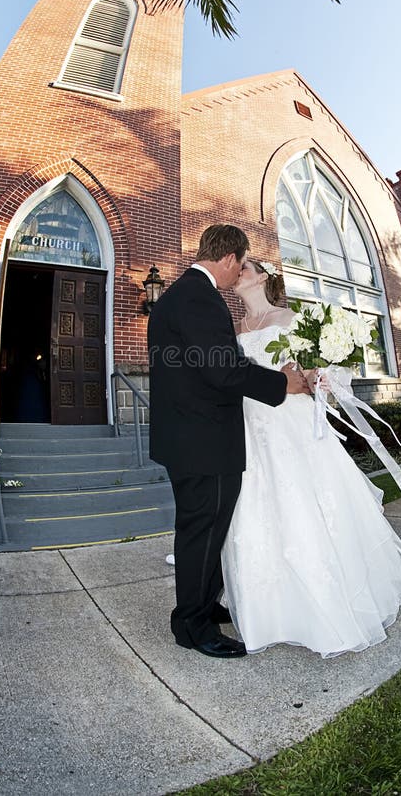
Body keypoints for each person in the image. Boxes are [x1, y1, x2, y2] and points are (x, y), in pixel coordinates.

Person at [221, 259, 401, 658]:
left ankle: (329, 610)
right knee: (259, 508)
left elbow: (313, 375)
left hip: (292, 422)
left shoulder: (291, 319)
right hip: (250, 428)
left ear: (263, 276)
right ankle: (270, 615)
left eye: (246, 267)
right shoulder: (232, 330)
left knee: (306, 505)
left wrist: (319, 378)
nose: (238, 272)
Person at [147, 225, 310, 659]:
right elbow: (224, 371)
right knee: (201, 532)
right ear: (228, 258)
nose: (237, 273)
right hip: (204, 442)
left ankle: (202, 603)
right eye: (238, 264)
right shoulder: (201, 298)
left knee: (204, 529)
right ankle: (192, 626)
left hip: (188, 438)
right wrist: (283, 384)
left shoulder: (175, 297)